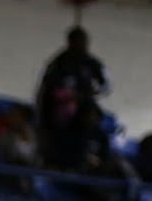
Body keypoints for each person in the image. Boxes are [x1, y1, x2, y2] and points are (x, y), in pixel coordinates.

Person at [36, 27, 109, 160]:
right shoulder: (58, 63)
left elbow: (105, 85)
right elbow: (48, 90)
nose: (84, 45)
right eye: (80, 42)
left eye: (85, 42)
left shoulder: (92, 63)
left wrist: (90, 92)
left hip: (83, 108)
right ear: (71, 42)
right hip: (61, 113)